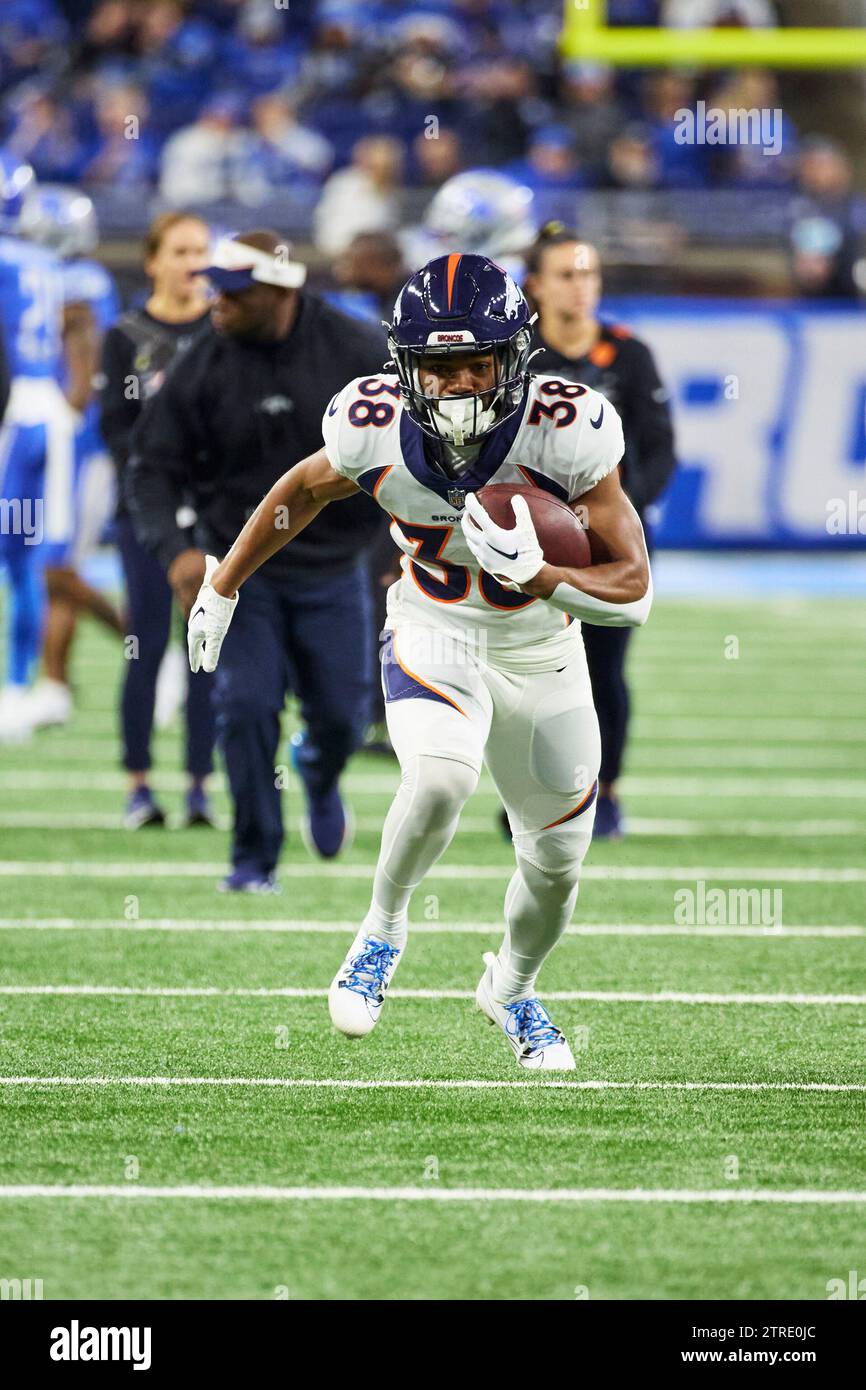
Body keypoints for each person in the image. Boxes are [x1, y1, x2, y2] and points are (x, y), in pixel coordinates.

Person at [187, 252, 652, 1070]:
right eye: (440, 368)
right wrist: (223, 585)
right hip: (435, 626)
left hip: (542, 649)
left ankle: (510, 987)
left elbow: (634, 584)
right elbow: (303, 486)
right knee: (439, 777)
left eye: (479, 363)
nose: (463, 384)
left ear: (514, 359)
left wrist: (543, 575)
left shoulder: (567, 428)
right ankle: (382, 930)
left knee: (556, 869)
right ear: (405, 369)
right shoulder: (371, 424)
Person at [126, 230, 387, 889]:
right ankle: (252, 858)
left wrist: (400, 545)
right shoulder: (199, 364)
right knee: (243, 706)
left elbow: (409, 454)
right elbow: (151, 470)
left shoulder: (356, 351)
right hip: (239, 574)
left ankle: (320, 773)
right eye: (213, 284)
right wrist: (179, 552)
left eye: (233, 290)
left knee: (343, 719)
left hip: (333, 566)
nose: (215, 298)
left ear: (280, 290)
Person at [523, 224, 676, 837]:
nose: (580, 286)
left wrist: (612, 518)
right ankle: (536, 795)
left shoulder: (628, 354)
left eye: (588, 274)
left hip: (613, 540)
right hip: (528, 539)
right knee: (530, 669)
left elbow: (660, 452)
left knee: (605, 668)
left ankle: (605, 792)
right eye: (566, 274)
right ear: (535, 285)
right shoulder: (518, 355)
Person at [99, 210, 216, 828]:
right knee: (142, 644)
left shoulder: (222, 328)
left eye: (201, 249)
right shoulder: (126, 334)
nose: (193, 262)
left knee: (206, 649)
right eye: (180, 250)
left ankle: (201, 785)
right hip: (144, 516)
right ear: (153, 260)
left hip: (212, 517)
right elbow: (115, 428)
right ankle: (139, 785)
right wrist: (158, 487)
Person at [17, 183, 125, 730]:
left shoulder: (78, 281)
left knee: (57, 568)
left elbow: (85, 363)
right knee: (45, 567)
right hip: (55, 439)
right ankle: (52, 682)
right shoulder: (51, 274)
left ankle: (148, 647)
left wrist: (65, 416)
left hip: (80, 446)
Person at [0, 152, 68, 744]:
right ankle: (16, 685)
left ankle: (13, 687)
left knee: (12, 553)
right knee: (27, 557)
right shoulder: (44, 258)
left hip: (11, 413)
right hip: (47, 412)